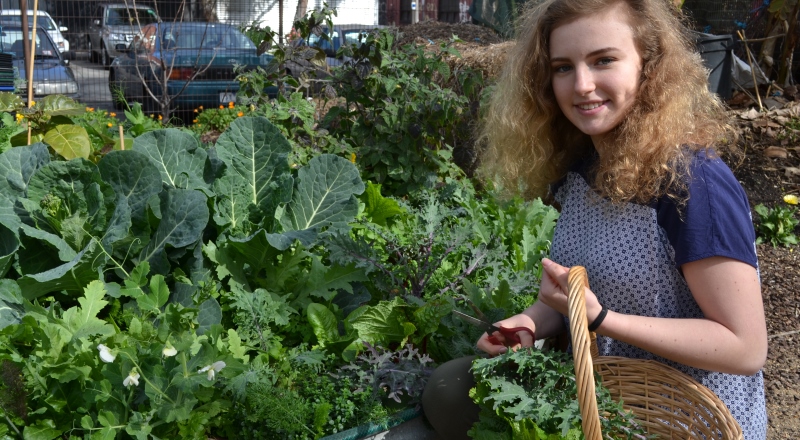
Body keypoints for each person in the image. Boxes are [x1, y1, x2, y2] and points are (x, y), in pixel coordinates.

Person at [421, 0, 768, 439]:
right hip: (599, 398)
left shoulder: (694, 184)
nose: (582, 85)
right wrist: (531, 322)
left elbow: (745, 348)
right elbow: (581, 292)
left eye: (603, 60)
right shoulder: (587, 161)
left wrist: (603, 320)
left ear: (650, 64)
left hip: (682, 416)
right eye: (563, 67)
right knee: (449, 389)